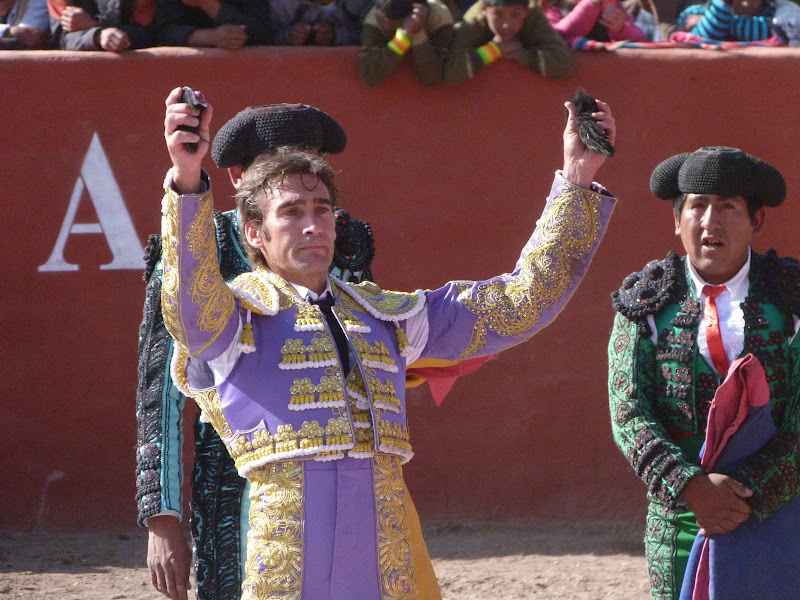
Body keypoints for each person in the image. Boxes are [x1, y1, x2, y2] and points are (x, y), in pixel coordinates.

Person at [160, 86, 616, 598]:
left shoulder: (386, 315)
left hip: (383, 535)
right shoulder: (234, 317)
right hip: (284, 537)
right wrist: (187, 179)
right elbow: (188, 305)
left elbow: (522, 301)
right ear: (255, 235)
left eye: (322, 209)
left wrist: (577, 180)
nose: (312, 226)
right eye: (290, 212)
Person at [139, 102, 447, 600]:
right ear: (241, 178)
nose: (304, 178)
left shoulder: (343, 238)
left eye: (312, 163)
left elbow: (360, 343)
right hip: (235, 471)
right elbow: (162, 389)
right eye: (283, 165)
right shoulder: (194, 245)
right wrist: (162, 514)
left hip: (352, 466)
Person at [607, 146, 800, 600]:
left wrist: (743, 494)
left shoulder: (792, 300)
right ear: (677, 221)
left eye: (728, 206)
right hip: (679, 513)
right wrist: (691, 487)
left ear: (756, 221)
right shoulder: (645, 301)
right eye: (697, 206)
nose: (710, 221)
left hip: (782, 507)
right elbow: (628, 410)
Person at [444, 0, 573, 86]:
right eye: (497, 14)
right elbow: (453, 73)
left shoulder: (533, 15)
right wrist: (493, 50)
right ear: (484, 10)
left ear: (525, 12)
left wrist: (521, 55)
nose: (506, 25)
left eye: (515, 14)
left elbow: (563, 64)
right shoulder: (474, 21)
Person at [359, 0, 453, 86]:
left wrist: (418, 33)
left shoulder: (440, 19)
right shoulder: (376, 17)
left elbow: (432, 78)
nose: (383, 23)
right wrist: (402, 39)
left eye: (388, 23)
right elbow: (371, 77)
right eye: (383, 21)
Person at [153, 0, 269, 49]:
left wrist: (210, 5)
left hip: (246, 75)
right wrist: (210, 37)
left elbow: (262, 32)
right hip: (187, 76)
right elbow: (161, 32)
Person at [47, 0, 153, 50]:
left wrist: (94, 25)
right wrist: (97, 36)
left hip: (136, 72)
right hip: (80, 75)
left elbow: (150, 35)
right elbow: (61, 40)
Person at [544, 0, 647, 46]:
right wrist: (591, 4)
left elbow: (641, 41)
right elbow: (558, 35)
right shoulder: (552, 8)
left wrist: (622, 29)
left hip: (607, 75)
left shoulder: (612, 5)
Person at [676, 0, 775, 40]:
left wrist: (724, 21)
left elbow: (771, 31)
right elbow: (708, 36)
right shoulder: (693, 13)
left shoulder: (778, 13)